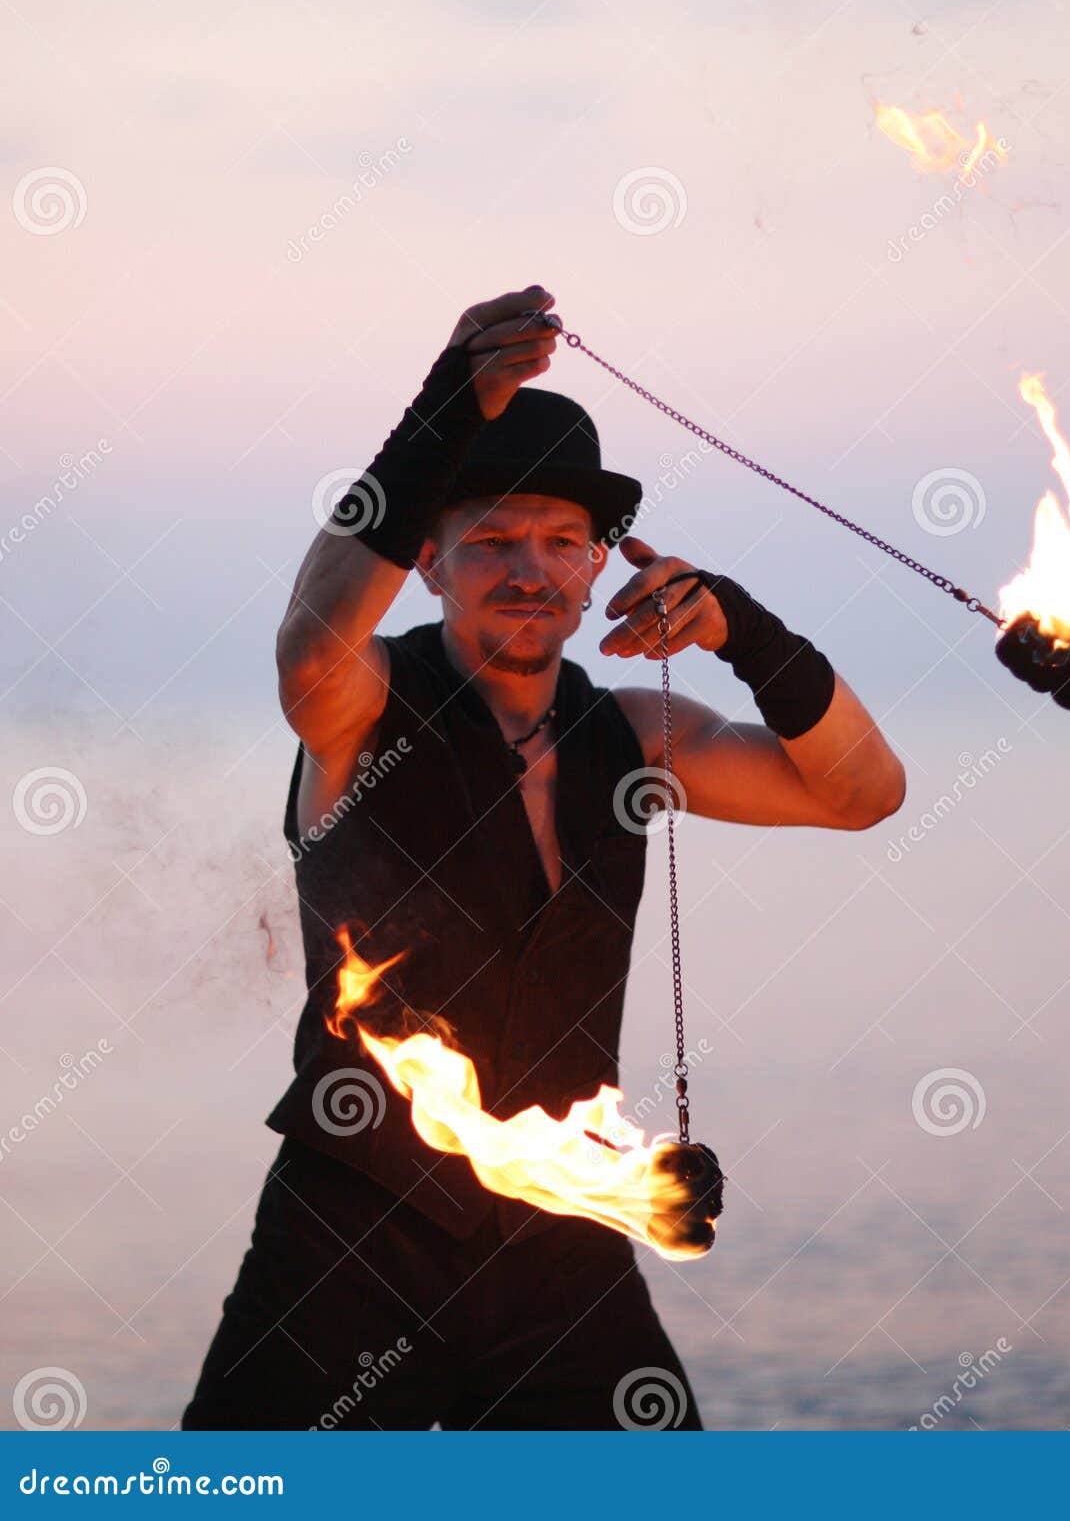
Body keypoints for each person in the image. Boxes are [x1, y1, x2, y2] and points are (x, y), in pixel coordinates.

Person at [181, 284, 907, 1430]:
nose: (532, 569)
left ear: (595, 564)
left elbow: (863, 793)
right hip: (352, 1238)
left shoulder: (635, 734)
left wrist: (740, 628)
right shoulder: (366, 711)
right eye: (495, 541)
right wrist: (442, 412)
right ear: (429, 560)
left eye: (562, 543)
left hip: (561, 1247)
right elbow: (311, 651)